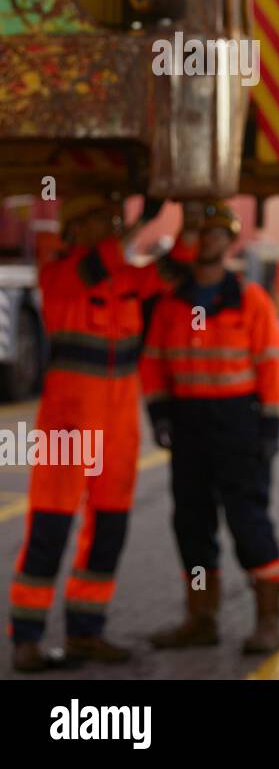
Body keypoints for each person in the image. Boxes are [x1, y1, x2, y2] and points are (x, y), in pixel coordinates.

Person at [9, 193, 194, 672]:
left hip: (118, 425)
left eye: (113, 221)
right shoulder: (61, 275)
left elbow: (175, 273)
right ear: (75, 231)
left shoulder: (128, 280)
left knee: (108, 531)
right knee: (49, 529)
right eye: (100, 220)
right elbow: (101, 261)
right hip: (68, 424)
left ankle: (85, 632)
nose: (111, 228)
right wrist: (141, 223)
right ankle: (26, 640)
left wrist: (196, 221)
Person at [139, 200, 279, 654]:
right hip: (189, 425)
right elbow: (154, 362)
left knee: (248, 521)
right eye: (202, 233)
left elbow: (272, 365)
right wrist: (159, 414)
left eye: (218, 234)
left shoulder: (249, 299)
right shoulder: (171, 303)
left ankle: (268, 621)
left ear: (229, 242)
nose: (209, 241)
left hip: (237, 424)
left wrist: (270, 427)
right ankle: (200, 619)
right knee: (192, 523)